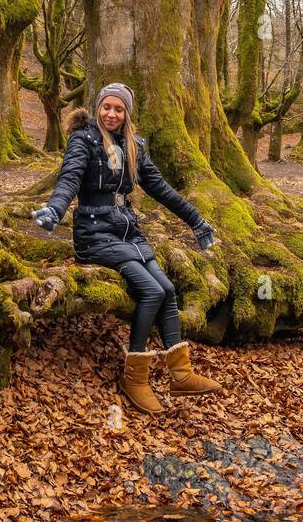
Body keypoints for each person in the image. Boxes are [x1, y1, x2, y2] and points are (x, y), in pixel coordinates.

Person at [31, 82, 221, 414]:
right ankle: (134, 378)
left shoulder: (134, 146)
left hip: (127, 230)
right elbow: (69, 179)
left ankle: (181, 374)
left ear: (127, 113)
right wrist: (54, 210)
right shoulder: (84, 140)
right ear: (98, 106)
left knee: (168, 288)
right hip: (94, 235)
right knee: (151, 291)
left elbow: (161, 188)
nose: (112, 114)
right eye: (107, 107)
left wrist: (196, 221)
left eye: (119, 109)